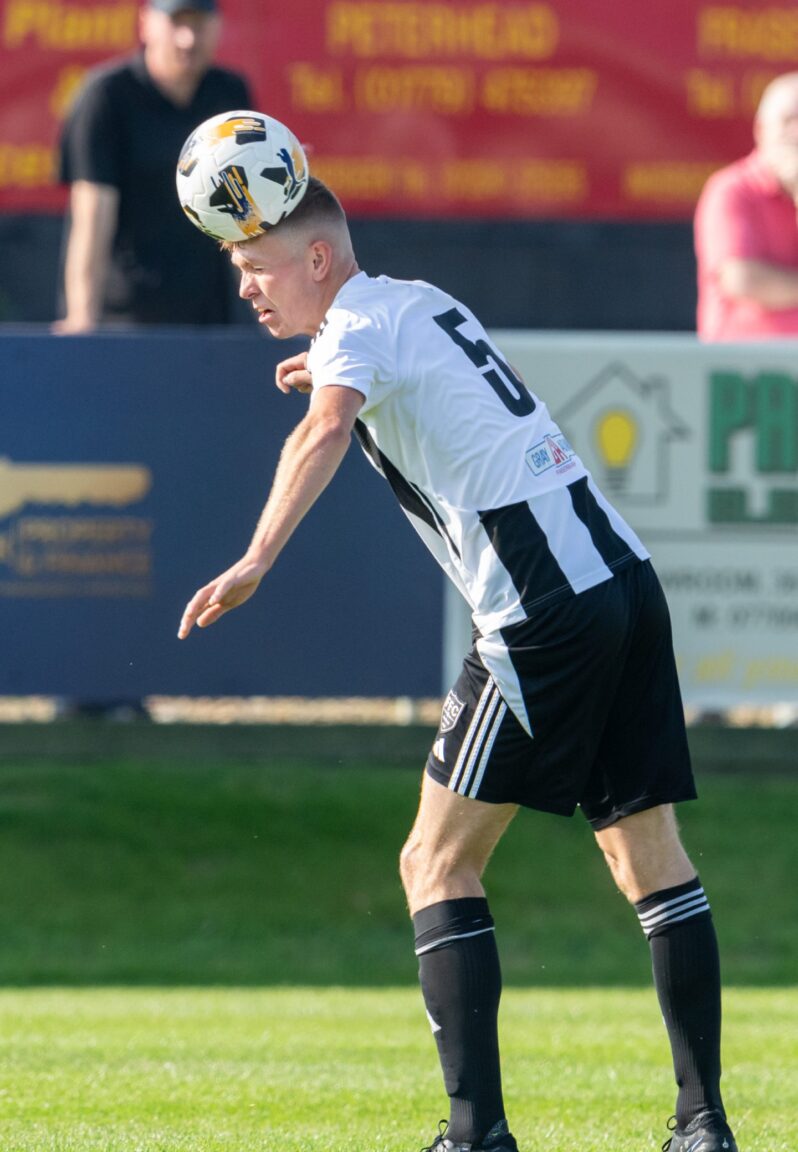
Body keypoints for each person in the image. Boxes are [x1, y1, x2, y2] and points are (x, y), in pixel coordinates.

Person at [178, 173, 739, 1152]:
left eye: (257, 265)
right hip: (623, 582)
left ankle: (475, 1135)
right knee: (646, 856)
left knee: (434, 860)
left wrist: (255, 558)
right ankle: (703, 1125)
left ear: (318, 258)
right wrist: (333, 370)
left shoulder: (355, 327)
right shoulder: (419, 302)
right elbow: (415, 381)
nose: (247, 287)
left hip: (540, 614)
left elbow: (326, 430)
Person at [56, 0, 253, 332]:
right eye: (176, 23)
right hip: (123, 319)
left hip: (210, 316)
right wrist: (82, 319)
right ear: (146, 23)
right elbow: (92, 214)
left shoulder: (229, 94)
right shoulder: (105, 96)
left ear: (217, 28)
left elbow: (245, 212)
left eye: (199, 24)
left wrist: (275, 314)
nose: (188, 39)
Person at [695, 71, 798, 340]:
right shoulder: (731, 190)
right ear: (761, 130)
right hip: (744, 369)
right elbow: (743, 281)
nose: (796, 132)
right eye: (788, 120)